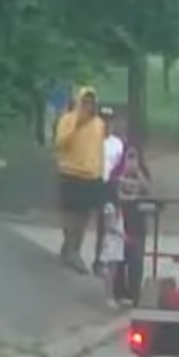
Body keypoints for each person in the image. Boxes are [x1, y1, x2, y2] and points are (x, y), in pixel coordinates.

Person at [53, 86, 106, 274]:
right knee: (69, 214)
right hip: (70, 172)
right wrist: (77, 124)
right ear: (78, 102)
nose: (88, 106)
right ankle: (70, 248)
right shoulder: (67, 120)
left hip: (91, 175)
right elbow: (60, 143)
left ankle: (74, 249)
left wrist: (100, 173)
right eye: (85, 102)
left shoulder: (99, 124)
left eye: (91, 102)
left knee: (84, 216)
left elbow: (98, 150)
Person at [113, 148, 151, 306]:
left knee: (136, 263)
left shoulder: (143, 174)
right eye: (128, 157)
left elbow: (146, 189)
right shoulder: (116, 173)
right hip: (120, 226)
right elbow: (116, 192)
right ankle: (118, 293)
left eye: (134, 157)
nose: (131, 161)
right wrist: (124, 177)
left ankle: (135, 294)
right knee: (118, 262)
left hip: (137, 227)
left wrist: (137, 173)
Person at [93, 106, 127, 274]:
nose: (107, 125)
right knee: (101, 223)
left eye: (109, 121)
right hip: (96, 183)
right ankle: (98, 259)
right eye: (104, 121)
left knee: (108, 223)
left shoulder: (118, 144)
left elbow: (122, 165)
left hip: (111, 186)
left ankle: (104, 260)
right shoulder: (93, 141)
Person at [97, 200, 126, 309]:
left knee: (114, 272)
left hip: (118, 242)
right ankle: (108, 298)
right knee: (110, 272)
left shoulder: (119, 208)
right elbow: (108, 226)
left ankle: (111, 296)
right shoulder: (109, 207)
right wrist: (122, 235)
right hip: (111, 242)